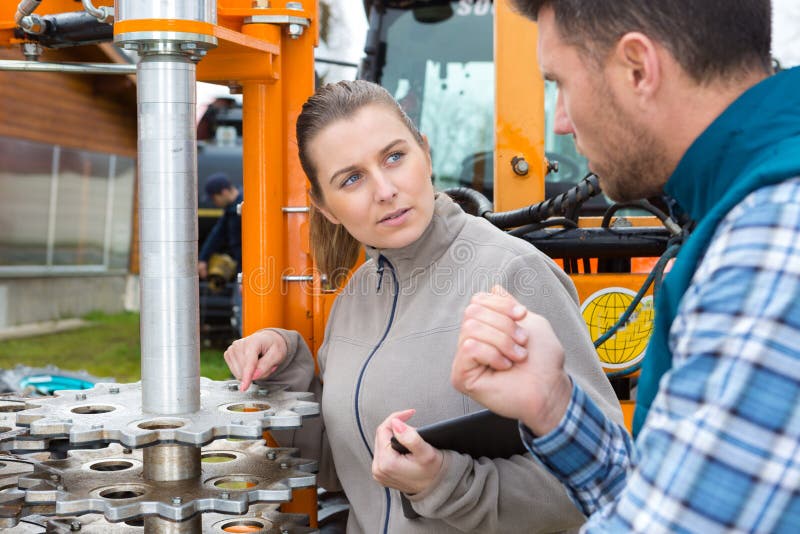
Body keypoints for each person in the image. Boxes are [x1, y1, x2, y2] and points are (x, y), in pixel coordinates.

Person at [451, 1, 800, 532]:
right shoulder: (746, 211)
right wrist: (554, 404)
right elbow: (679, 498)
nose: (560, 122)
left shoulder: (771, 240)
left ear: (638, 68)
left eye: (561, 84)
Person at [223, 80, 623, 533]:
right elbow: (349, 469)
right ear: (325, 207)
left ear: (425, 154)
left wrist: (442, 482)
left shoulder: (516, 275)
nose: (385, 190)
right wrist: (287, 367)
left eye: (395, 157)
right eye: (351, 179)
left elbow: (598, 483)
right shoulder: (355, 296)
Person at [198, 173, 243, 278]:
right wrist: (203, 259)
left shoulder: (245, 205)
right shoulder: (230, 210)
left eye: (214, 198)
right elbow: (217, 235)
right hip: (243, 265)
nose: (214, 203)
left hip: (252, 265)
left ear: (224, 192)